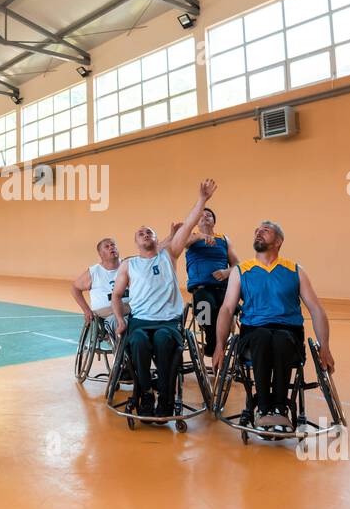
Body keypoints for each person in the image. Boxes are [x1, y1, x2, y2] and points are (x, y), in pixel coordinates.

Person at [212, 221, 335, 429]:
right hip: (253, 332)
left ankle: (280, 408)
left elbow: (316, 309)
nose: (259, 232)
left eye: (265, 231)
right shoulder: (241, 271)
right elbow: (226, 309)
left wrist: (325, 347)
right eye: (257, 230)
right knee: (262, 336)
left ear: (278, 241)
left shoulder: (295, 270)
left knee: (280, 338)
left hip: (288, 332)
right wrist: (219, 346)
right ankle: (262, 406)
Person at [111, 179, 217, 418]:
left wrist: (202, 199)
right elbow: (117, 296)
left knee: (162, 340)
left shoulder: (168, 255)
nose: (145, 234)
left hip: (168, 321)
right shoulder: (129, 264)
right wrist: (120, 320)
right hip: (140, 320)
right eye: (140, 233)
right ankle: (146, 392)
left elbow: (189, 224)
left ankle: (167, 397)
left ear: (157, 240)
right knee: (136, 341)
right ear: (136, 242)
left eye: (149, 232)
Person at [184, 207, 238, 364]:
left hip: (223, 288)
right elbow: (184, 244)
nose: (205, 217)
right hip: (201, 289)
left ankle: (219, 344)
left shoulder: (224, 239)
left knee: (229, 308)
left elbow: (237, 264)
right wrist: (201, 236)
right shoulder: (191, 237)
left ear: (214, 221)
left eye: (209, 215)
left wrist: (227, 272)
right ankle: (212, 340)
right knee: (205, 306)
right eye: (201, 216)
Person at [71, 237, 130, 322]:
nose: (111, 247)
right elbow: (74, 288)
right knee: (117, 320)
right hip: (106, 311)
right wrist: (86, 310)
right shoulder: (94, 271)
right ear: (100, 254)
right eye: (107, 247)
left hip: (129, 307)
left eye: (113, 245)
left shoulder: (127, 265)